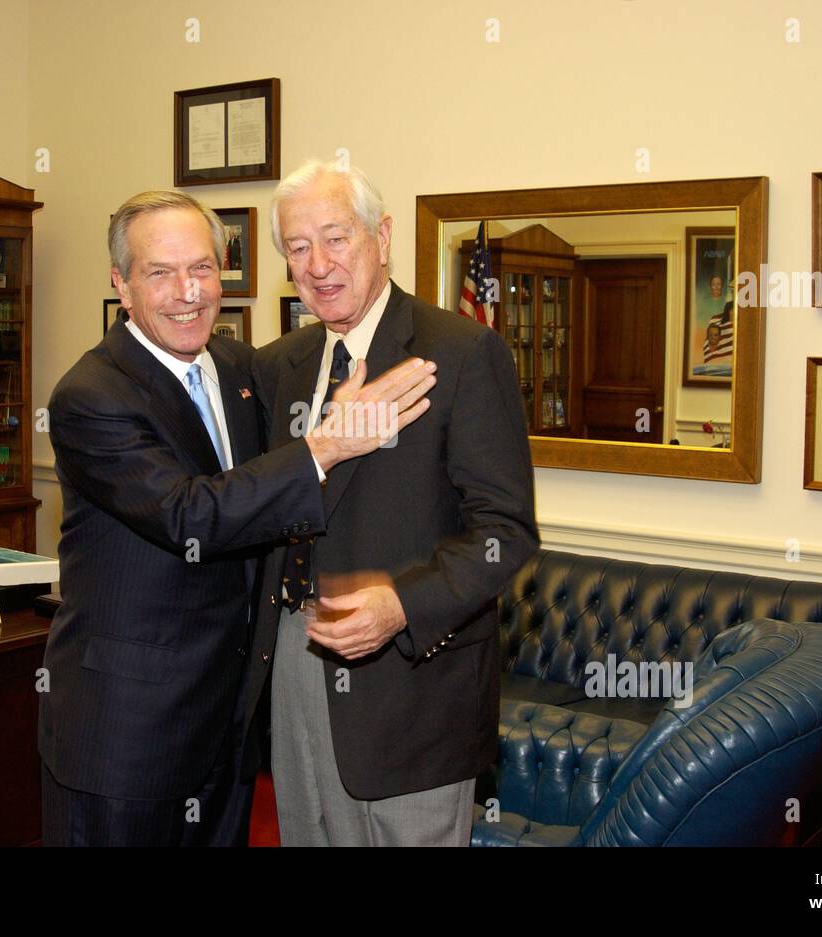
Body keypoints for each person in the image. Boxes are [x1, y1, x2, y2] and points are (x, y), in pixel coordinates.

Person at [39, 189, 437, 847]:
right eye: (160, 273)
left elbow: (273, 505)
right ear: (122, 284)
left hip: (228, 729)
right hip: (125, 738)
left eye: (201, 268)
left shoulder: (239, 369)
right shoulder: (90, 395)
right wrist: (327, 442)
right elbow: (190, 515)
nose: (187, 292)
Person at [245, 160, 539, 846]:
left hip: (411, 680)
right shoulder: (277, 365)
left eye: (335, 237)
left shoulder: (464, 352)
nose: (317, 264)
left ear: (381, 237)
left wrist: (402, 604)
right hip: (293, 662)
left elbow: (506, 531)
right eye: (297, 246)